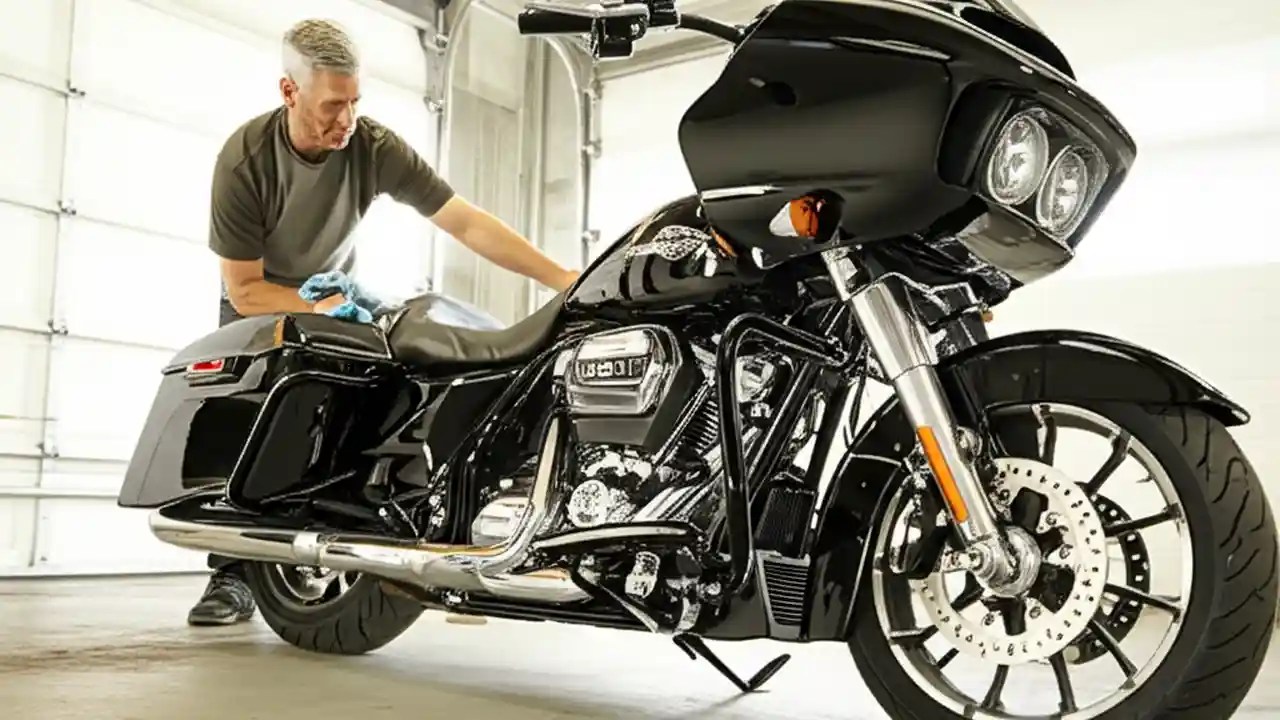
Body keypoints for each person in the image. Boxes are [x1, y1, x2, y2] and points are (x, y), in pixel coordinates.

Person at [188, 18, 580, 626]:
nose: (345, 119)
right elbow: (243, 287)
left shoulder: (371, 146)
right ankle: (231, 575)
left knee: (354, 417)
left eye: (354, 102)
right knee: (259, 431)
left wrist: (563, 280)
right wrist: (314, 308)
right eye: (331, 105)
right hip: (262, 298)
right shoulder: (245, 161)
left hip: (335, 294)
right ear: (289, 93)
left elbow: (465, 221)